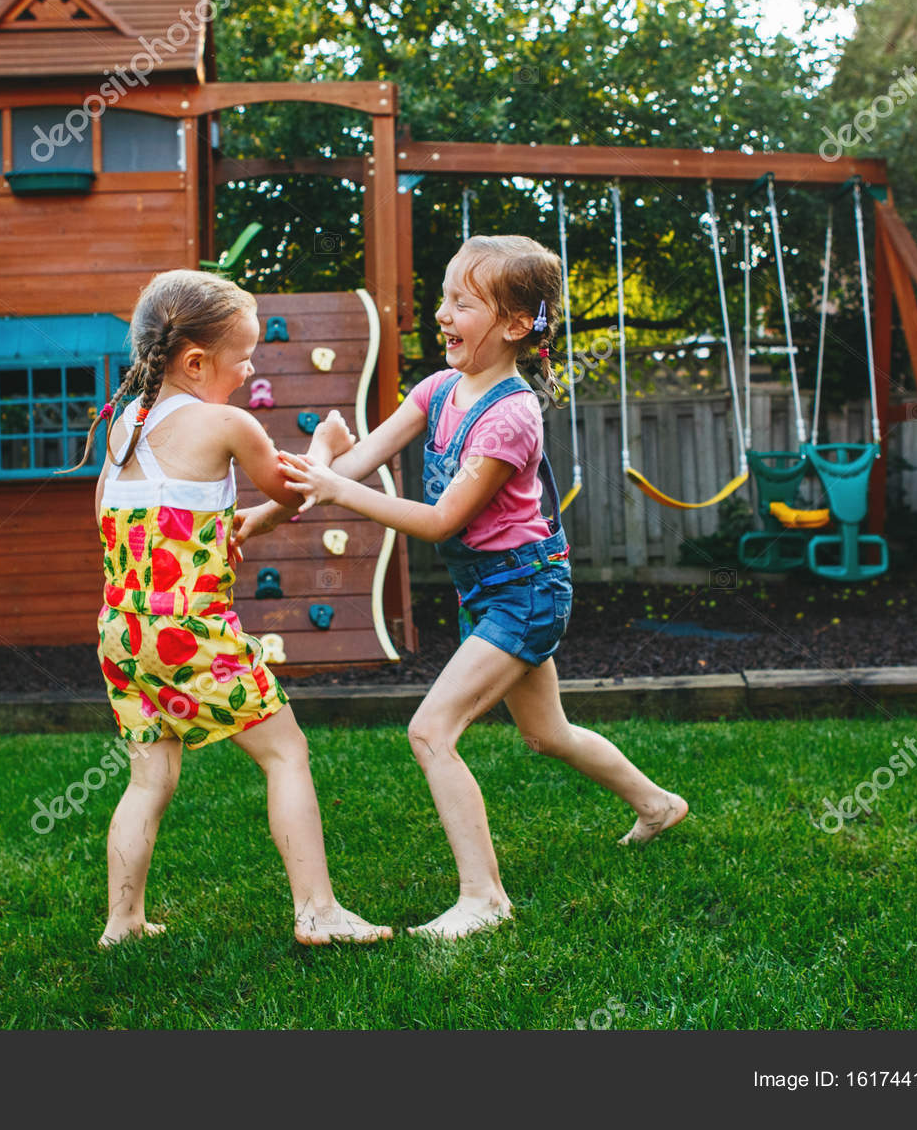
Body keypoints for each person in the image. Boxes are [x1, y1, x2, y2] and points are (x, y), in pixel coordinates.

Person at [269, 236, 688, 940]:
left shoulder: (510, 415)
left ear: (517, 324)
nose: (442, 314)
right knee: (546, 732)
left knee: (431, 731)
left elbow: (438, 521)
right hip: (490, 591)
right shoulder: (437, 390)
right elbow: (364, 458)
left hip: (525, 589)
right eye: (444, 298)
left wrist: (335, 480)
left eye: (463, 302)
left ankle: (484, 896)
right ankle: (658, 804)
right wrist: (321, 457)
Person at [69, 268, 391, 948]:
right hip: (190, 632)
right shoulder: (227, 424)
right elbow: (298, 490)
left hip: (124, 632)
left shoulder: (123, 425)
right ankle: (318, 910)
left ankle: (121, 922)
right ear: (194, 361)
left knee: (149, 776)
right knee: (286, 752)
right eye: (242, 357)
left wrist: (224, 532)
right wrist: (328, 449)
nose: (248, 371)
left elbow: (142, 520)